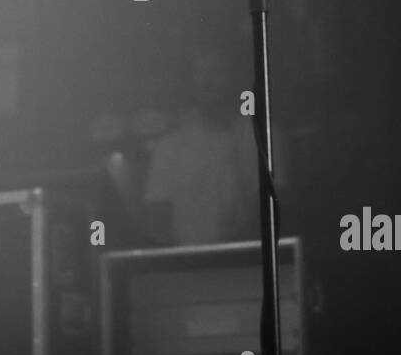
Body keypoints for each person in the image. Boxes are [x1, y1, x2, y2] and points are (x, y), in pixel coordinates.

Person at [108, 36, 288, 247]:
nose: (207, 80)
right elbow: (158, 224)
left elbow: (276, 213)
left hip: (250, 266)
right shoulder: (169, 148)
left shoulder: (264, 137)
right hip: (190, 271)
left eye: (216, 70)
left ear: (232, 74)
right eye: (199, 71)